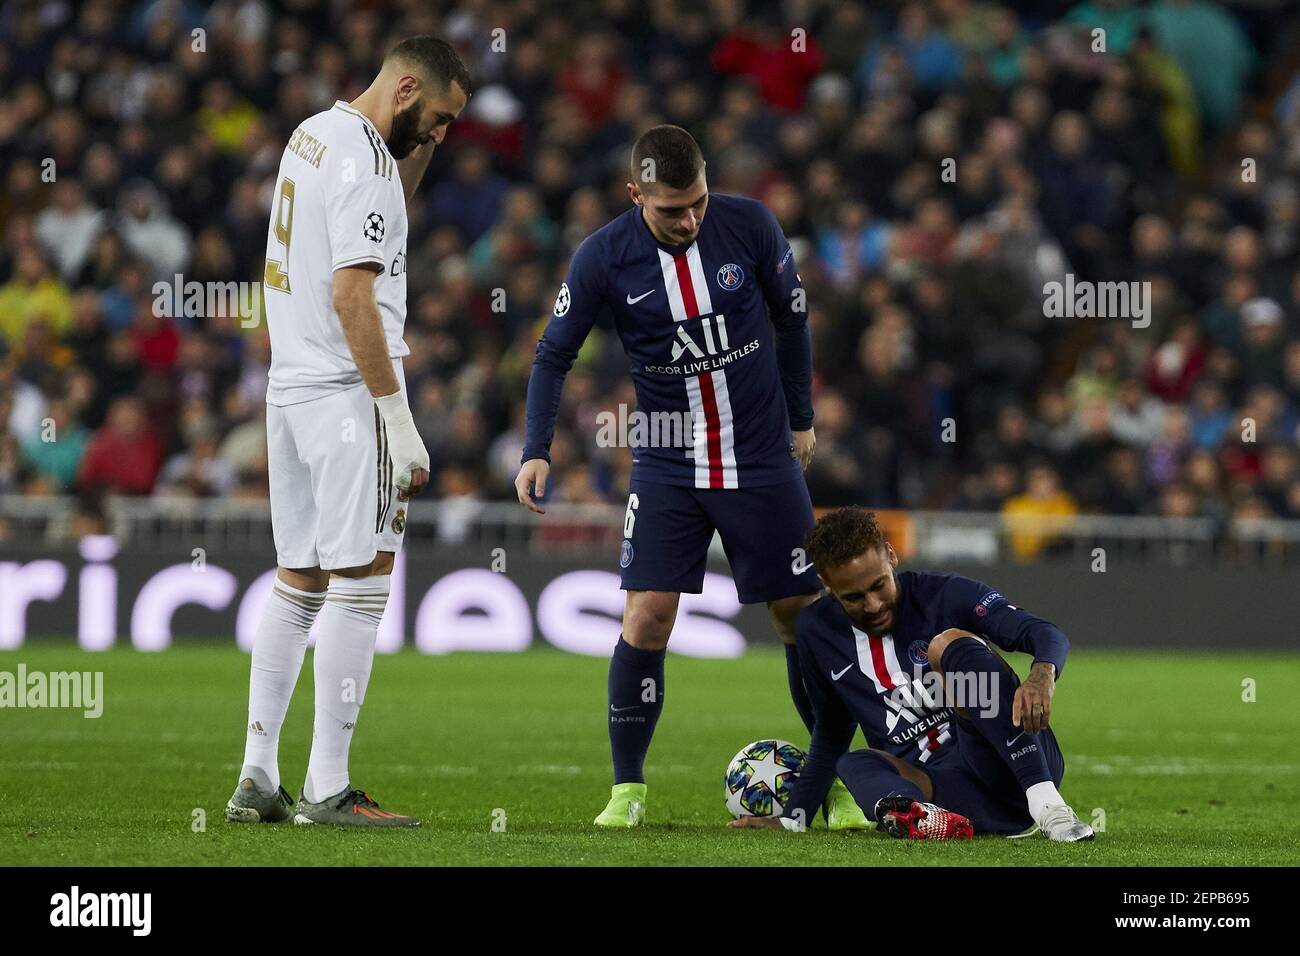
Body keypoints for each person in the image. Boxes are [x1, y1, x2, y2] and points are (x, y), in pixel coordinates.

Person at [515, 125, 865, 829]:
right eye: (672, 209)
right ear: (634, 194)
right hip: (669, 461)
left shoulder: (751, 225)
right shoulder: (602, 258)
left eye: (698, 202)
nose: (690, 219)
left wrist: (802, 417)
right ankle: (627, 791)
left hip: (763, 455)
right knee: (647, 616)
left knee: (802, 615)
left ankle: (833, 789)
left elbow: (793, 324)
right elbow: (553, 355)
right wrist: (536, 448)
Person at [225, 36, 470, 828]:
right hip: (346, 395)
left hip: (289, 388)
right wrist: (397, 420)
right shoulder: (366, 162)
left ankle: (257, 775)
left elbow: (380, 200)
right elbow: (354, 297)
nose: (440, 135)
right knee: (363, 584)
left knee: (298, 580)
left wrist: (419, 149)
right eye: (437, 119)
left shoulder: (314, 134)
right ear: (405, 90)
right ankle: (328, 787)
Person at [731, 506, 1094, 841]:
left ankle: (1049, 806)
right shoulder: (816, 630)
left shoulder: (945, 594)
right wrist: (794, 817)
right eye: (854, 597)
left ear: (891, 556)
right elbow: (831, 732)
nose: (873, 606)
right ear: (827, 585)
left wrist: (1042, 674)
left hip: (1007, 763)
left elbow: (1043, 633)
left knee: (950, 644)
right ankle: (921, 818)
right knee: (854, 761)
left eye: (878, 586)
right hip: (949, 792)